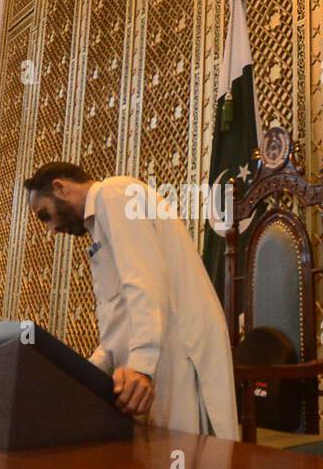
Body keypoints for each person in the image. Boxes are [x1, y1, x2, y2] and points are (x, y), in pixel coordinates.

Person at [24, 162, 238, 439]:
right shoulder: (101, 219)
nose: (51, 229)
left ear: (60, 187)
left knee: (186, 464)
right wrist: (84, 375)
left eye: (45, 215)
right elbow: (119, 315)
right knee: (166, 467)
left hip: (179, 349)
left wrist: (140, 366)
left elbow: (143, 284)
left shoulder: (115, 193)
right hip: (159, 355)